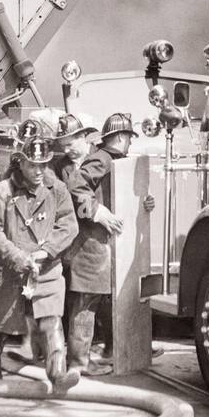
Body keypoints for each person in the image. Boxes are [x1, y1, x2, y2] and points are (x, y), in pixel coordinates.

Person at [0, 134, 79, 392]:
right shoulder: (0, 193)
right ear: (20, 162)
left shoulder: (56, 190)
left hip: (46, 270)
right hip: (9, 272)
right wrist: (19, 258)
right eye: (33, 165)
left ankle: (58, 377)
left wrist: (46, 251)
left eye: (44, 165)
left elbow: (68, 225)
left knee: (51, 322)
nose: (39, 171)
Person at [57, 112, 132, 375]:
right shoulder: (102, 159)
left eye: (70, 143)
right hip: (89, 243)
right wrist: (97, 212)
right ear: (122, 137)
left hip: (100, 244)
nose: (130, 144)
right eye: (129, 139)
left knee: (93, 300)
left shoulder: (105, 159)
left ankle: (102, 352)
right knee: (85, 302)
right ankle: (78, 363)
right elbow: (76, 186)